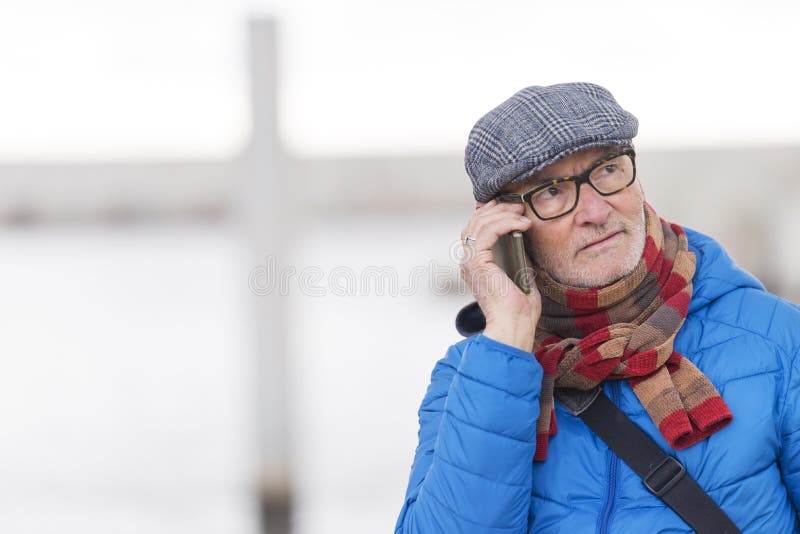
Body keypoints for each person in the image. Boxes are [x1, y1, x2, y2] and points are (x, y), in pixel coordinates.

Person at [394, 83, 800, 533]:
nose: (594, 209)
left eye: (607, 169)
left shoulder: (776, 338)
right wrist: (508, 340)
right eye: (552, 191)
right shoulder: (471, 379)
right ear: (508, 226)